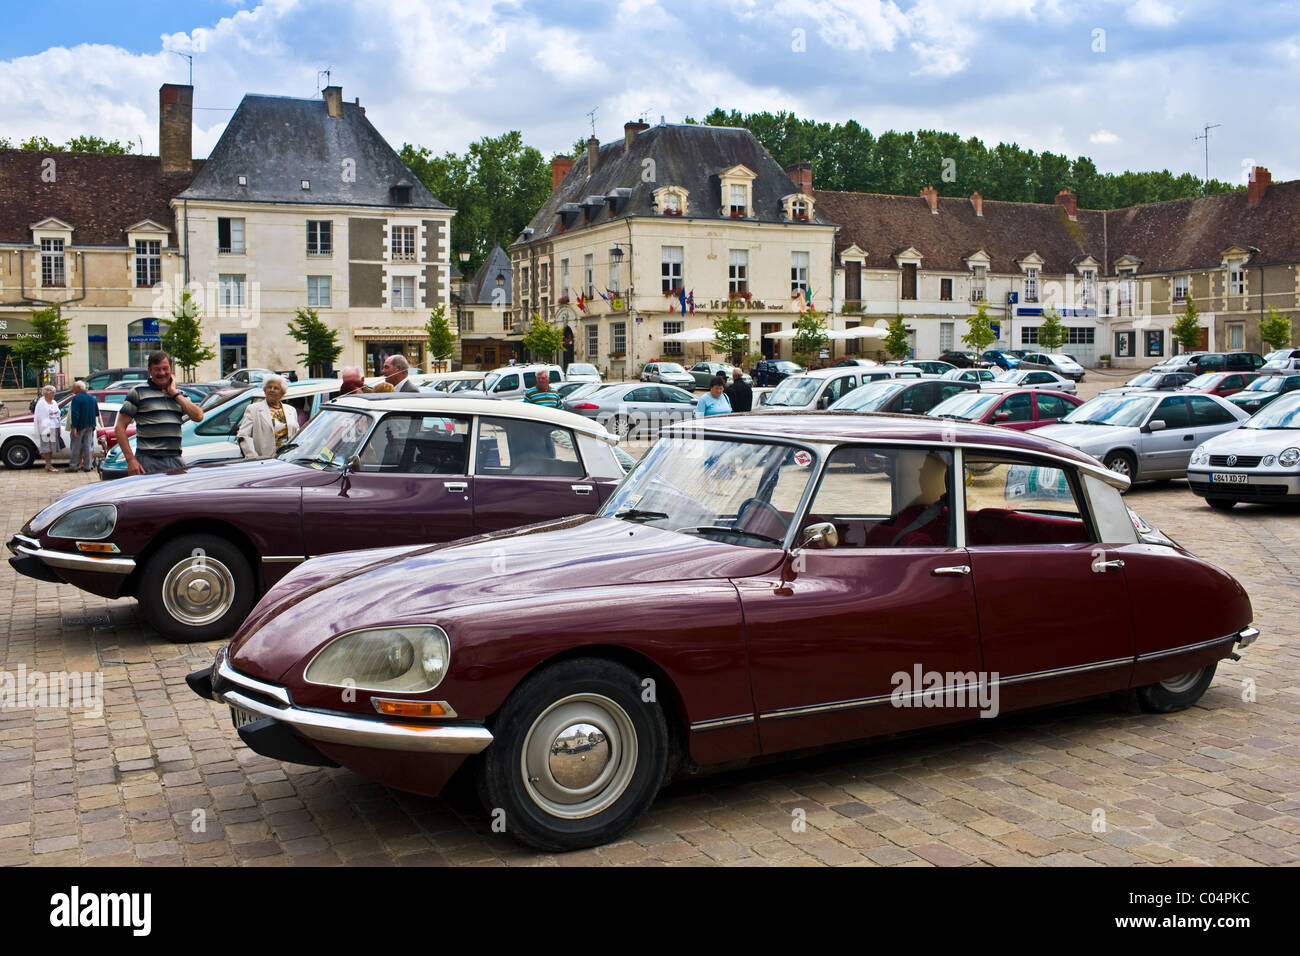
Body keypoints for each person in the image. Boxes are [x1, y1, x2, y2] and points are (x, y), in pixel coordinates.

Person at [115, 350, 204, 476]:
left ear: (171, 369)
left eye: (165, 368)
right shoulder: (138, 392)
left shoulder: (179, 395)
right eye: (157, 369)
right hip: (148, 461)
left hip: (175, 460)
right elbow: (119, 428)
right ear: (149, 371)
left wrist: (174, 393)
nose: (162, 373)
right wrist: (130, 460)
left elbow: (198, 416)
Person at [237, 375, 299, 458]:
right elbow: (244, 435)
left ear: (282, 393)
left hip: (287, 459)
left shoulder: (291, 410)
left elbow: (297, 434)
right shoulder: (253, 409)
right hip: (264, 460)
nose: (272, 390)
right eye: (269, 387)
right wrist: (253, 457)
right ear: (265, 390)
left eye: (276, 388)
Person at [67, 380, 99, 472]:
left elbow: (75, 414)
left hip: (80, 425)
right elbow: (96, 413)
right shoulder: (92, 398)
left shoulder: (76, 399)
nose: (72, 389)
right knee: (88, 446)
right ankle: (87, 466)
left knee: (76, 446)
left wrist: (74, 427)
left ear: (79, 388)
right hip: (90, 425)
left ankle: (73, 466)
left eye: (73, 387)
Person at [34, 385, 63, 472]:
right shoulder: (41, 403)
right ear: (47, 393)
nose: (54, 394)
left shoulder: (54, 402)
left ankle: (49, 464)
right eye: (52, 392)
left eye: (54, 392)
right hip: (45, 428)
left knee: (52, 448)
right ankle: (48, 465)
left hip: (55, 426)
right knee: (46, 447)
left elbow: (58, 415)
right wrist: (44, 428)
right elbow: (40, 417)